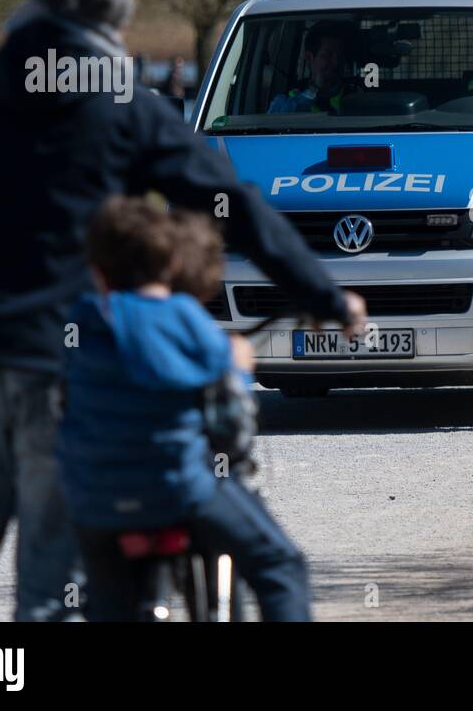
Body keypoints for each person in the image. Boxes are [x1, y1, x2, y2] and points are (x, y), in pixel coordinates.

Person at [0, 0, 366, 622]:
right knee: (48, 588)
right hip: (59, 363)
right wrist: (322, 294)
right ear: (116, 20)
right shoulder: (123, 105)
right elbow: (231, 202)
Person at [60, 198, 316, 621]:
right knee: (280, 566)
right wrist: (238, 366)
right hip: (176, 486)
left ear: (97, 272)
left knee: (102, 603)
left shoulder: (79, 321)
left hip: (95, 498)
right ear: (171, 263)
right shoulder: (181, 316)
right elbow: (230, 416)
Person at [266, 20, 356, 114]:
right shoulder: (289, 97)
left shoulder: (357, 94)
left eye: (340, 55)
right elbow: (274, 122)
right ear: (309, 58)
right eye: (328, 55)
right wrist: (312, 92)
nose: (336, 62)